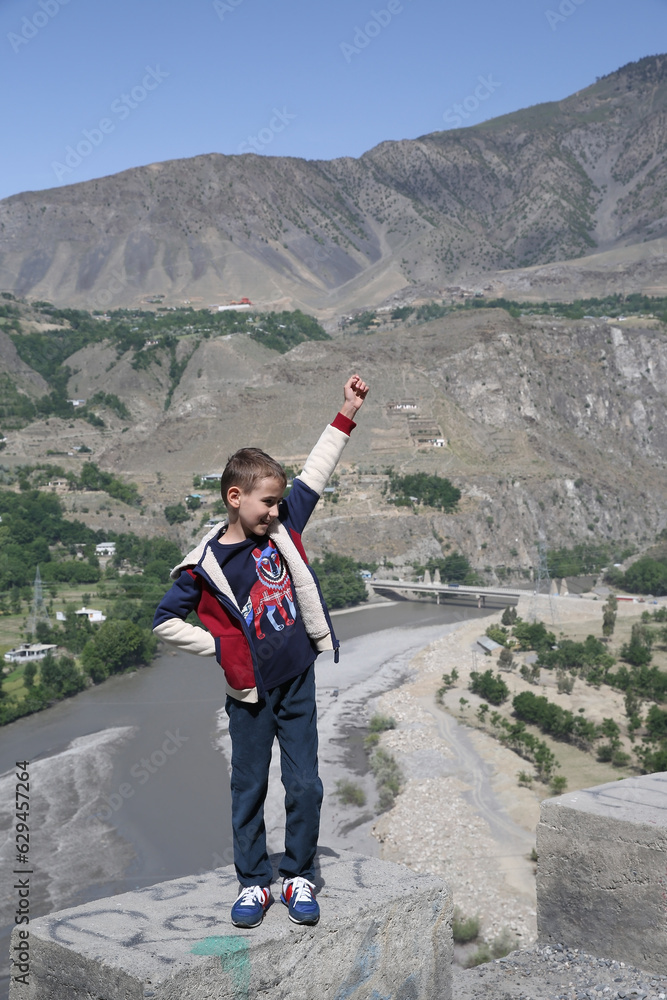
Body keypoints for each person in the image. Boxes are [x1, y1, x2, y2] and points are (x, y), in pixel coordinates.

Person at [153, 374, 369, 929]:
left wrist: (346, 410)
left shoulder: (283, 526)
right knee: (248, 788)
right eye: (267, 503)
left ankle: (298, 875)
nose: (275, 511)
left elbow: (317, 471)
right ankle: (254, 883)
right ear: (236, 497)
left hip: (297, 681)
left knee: (306, 784)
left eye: (278, 502)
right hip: (247, 695)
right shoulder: (205, 564)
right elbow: (164, 623)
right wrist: (223, 647)